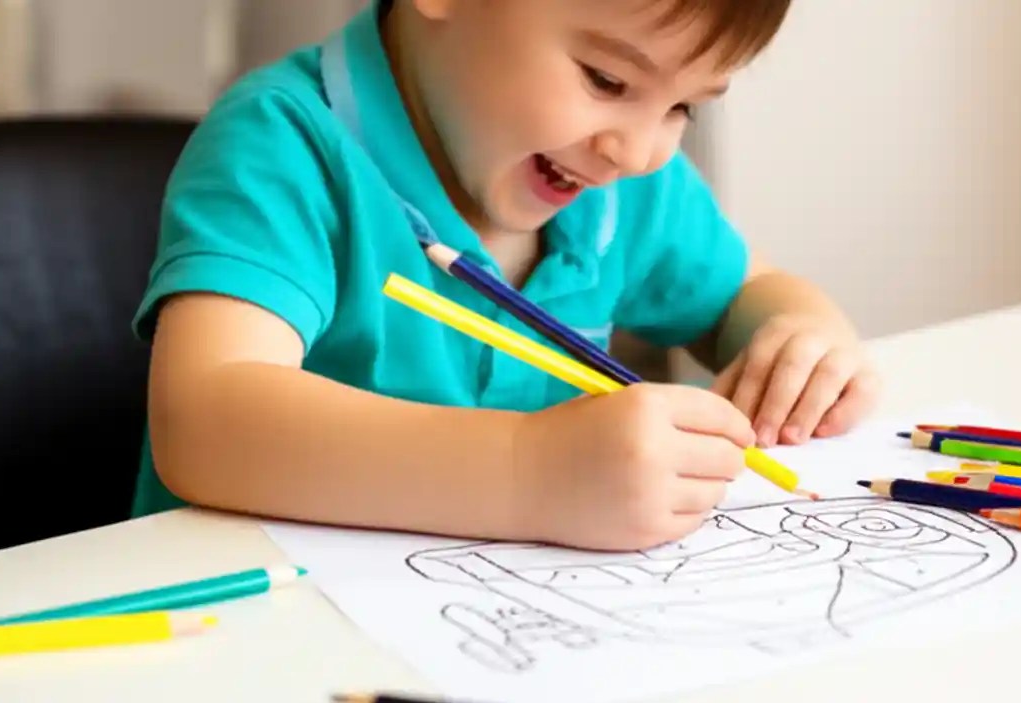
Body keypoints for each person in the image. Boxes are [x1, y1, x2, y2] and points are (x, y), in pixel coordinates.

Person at [132, 0, 879, 552]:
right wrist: (528, 473)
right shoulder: (282, 146)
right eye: (607, 79)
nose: (639, 149)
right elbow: (205, 420)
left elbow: (743, 298)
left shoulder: (621, 186)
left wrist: (803, 336)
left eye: (683, 105)